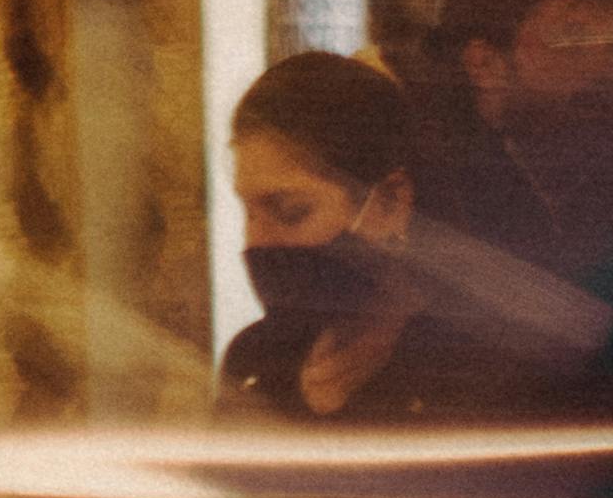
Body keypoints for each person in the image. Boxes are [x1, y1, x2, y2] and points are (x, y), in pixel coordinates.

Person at [219, 48, 563, 425]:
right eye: (249, 211)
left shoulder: (478, 368)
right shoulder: (254, 360)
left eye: (291, 212)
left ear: (390, 202)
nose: (257, 240)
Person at [409, 0, 613, 286]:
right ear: (484, 64)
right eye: (572, 38)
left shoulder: (588, 149)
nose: (606, 68)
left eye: (611, 46)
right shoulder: (423, 183)